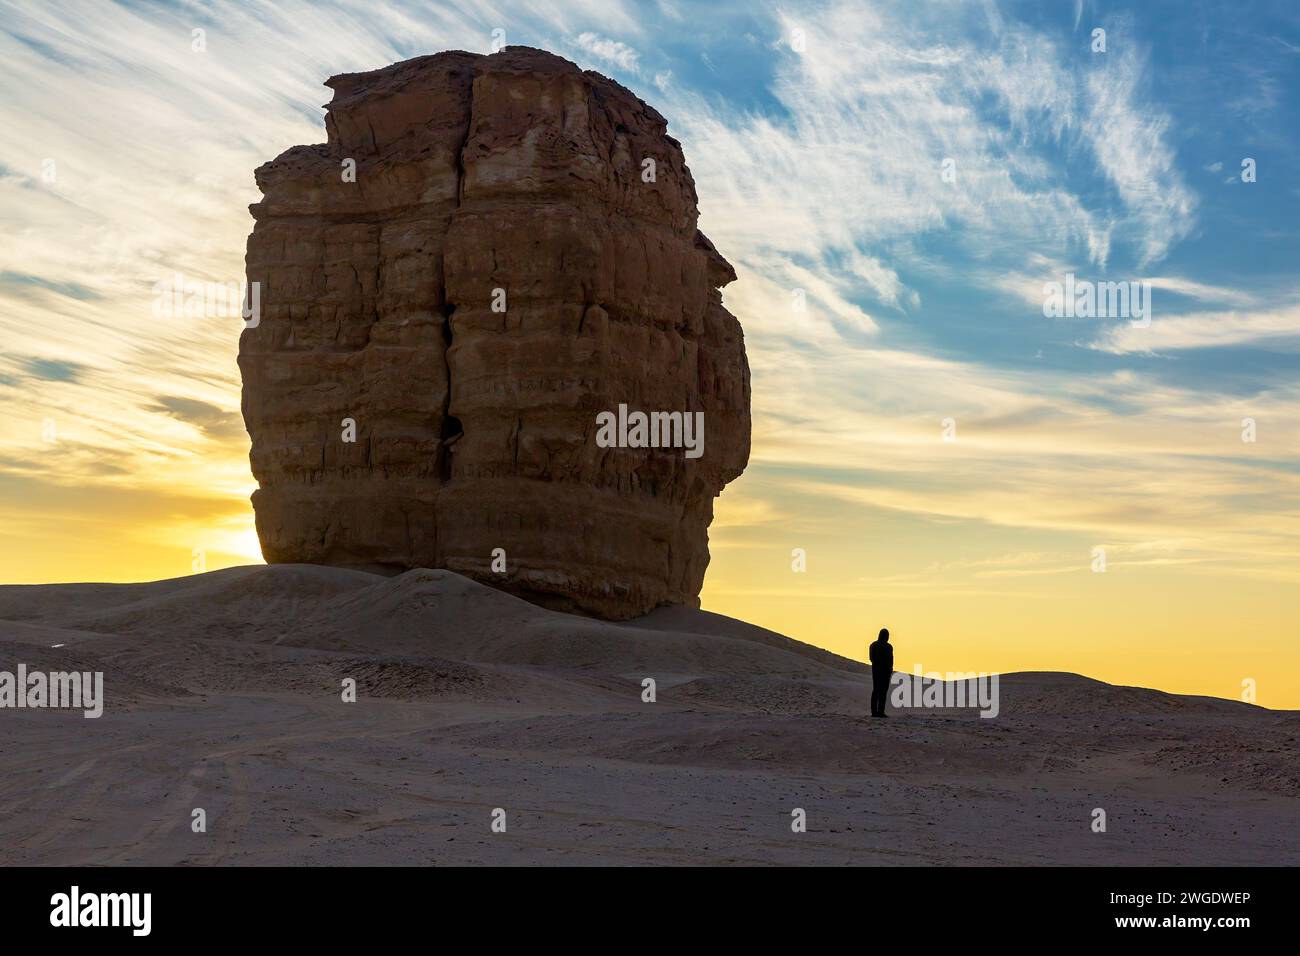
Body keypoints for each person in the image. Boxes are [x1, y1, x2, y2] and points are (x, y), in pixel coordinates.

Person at [869, 628, 894, 717]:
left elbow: (871, 658)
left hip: (876, 670)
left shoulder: (873, 645)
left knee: (876, 690)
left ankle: (874, 712)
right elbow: (891, 660)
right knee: (882, 691)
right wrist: (889, 669)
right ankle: (880, 711)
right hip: (884, 671)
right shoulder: (888, 647)